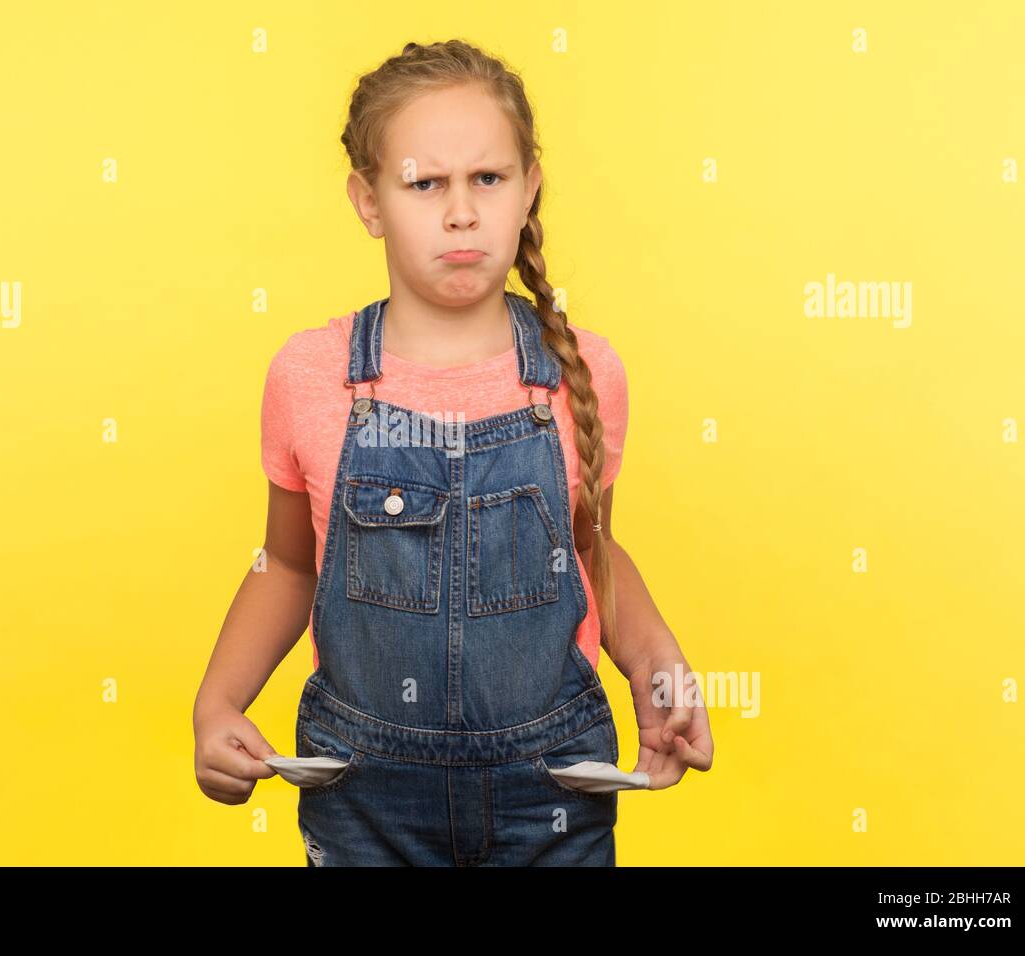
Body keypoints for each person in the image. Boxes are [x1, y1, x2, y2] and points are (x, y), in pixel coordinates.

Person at [194, 38, 713, 866]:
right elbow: (290, 565)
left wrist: (666, 676)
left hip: (551, 791)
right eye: (425, 183)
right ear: (369, 202)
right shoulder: (310, 376)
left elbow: (592, 551)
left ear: (528, 188)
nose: (461, 211)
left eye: (488, 179)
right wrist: (217, 703)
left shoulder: (584, 374)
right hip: (363, 800)